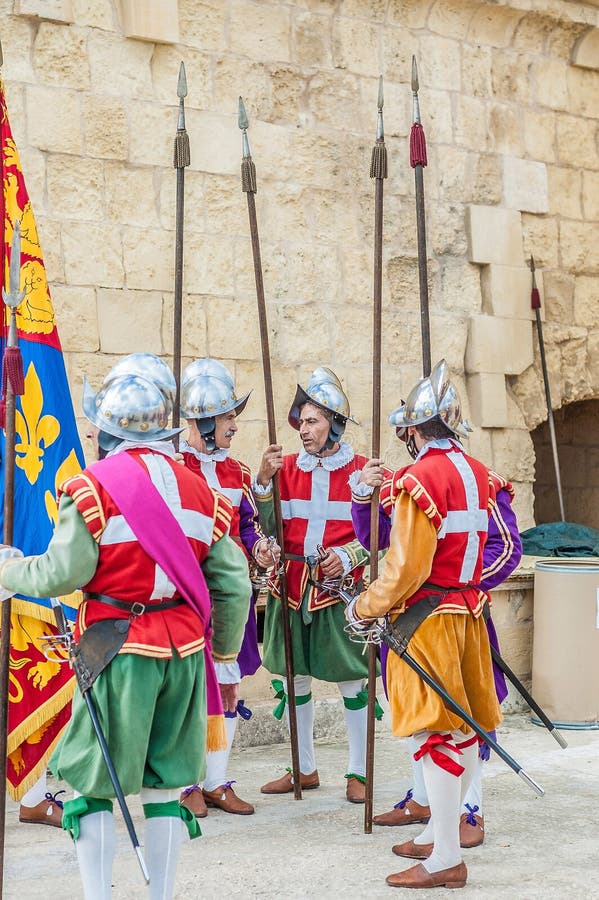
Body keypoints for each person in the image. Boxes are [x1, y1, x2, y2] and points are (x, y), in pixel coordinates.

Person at [0, 363, 251, 900]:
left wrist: (6, 569)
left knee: (93, 784)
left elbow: (60, 574)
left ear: (110, 432)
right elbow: (232, 587)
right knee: (166, 786)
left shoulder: (93, 489)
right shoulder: (202, 493)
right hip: (183, 654)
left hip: (117, 652)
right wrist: (222, 652)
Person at [345, 360, 505, 889]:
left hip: (428, 619)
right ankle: (441, 837)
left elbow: (407, 566)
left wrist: (365, 605)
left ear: (414, 430)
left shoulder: (419, 479)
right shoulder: (480, 472)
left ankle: (445, 859)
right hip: (470, 614)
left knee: (435, 735)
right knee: (458, 733)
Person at [255, 367, 378, 803]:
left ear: (334, 424)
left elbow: (379, 538)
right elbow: (268, 529)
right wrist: (264, 486)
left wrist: (347, 557)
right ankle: (302, 768)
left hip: (340, 591)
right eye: (301, 421)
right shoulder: (284, 468)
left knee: (353, 682)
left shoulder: (364, 471)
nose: (302, 429)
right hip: (290, 587)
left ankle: (359, 773)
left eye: (312, 421)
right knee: (293, 681)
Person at [178, 358, 279, 817]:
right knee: (187, 691)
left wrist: (259, 548)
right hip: (188, 597)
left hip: (233, 598)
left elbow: (248, 526)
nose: (234, 424)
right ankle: (185, 783)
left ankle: (218, 781)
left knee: (229, 689)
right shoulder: (175, 467)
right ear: (203, 421)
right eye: (227, 417)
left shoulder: (238, 473)